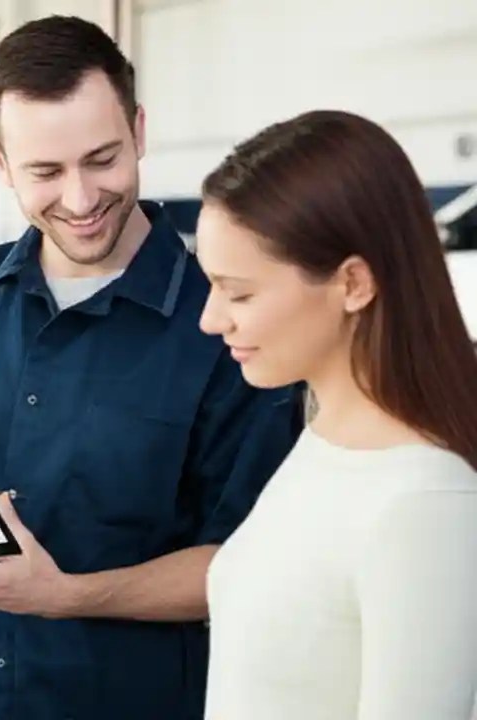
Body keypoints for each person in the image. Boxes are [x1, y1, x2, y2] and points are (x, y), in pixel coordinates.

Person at [0, 15, 304, 720]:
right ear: (0, 163)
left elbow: (253, 566)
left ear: (139, 131)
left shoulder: (226, 325)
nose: (80, 200)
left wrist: (65, 595)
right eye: (45, 173)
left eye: (103, 159)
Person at [196, 110, 477, 719]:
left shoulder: (423, 503)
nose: (211, 319)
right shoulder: (322, 438)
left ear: (352, 283)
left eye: (238, 292)